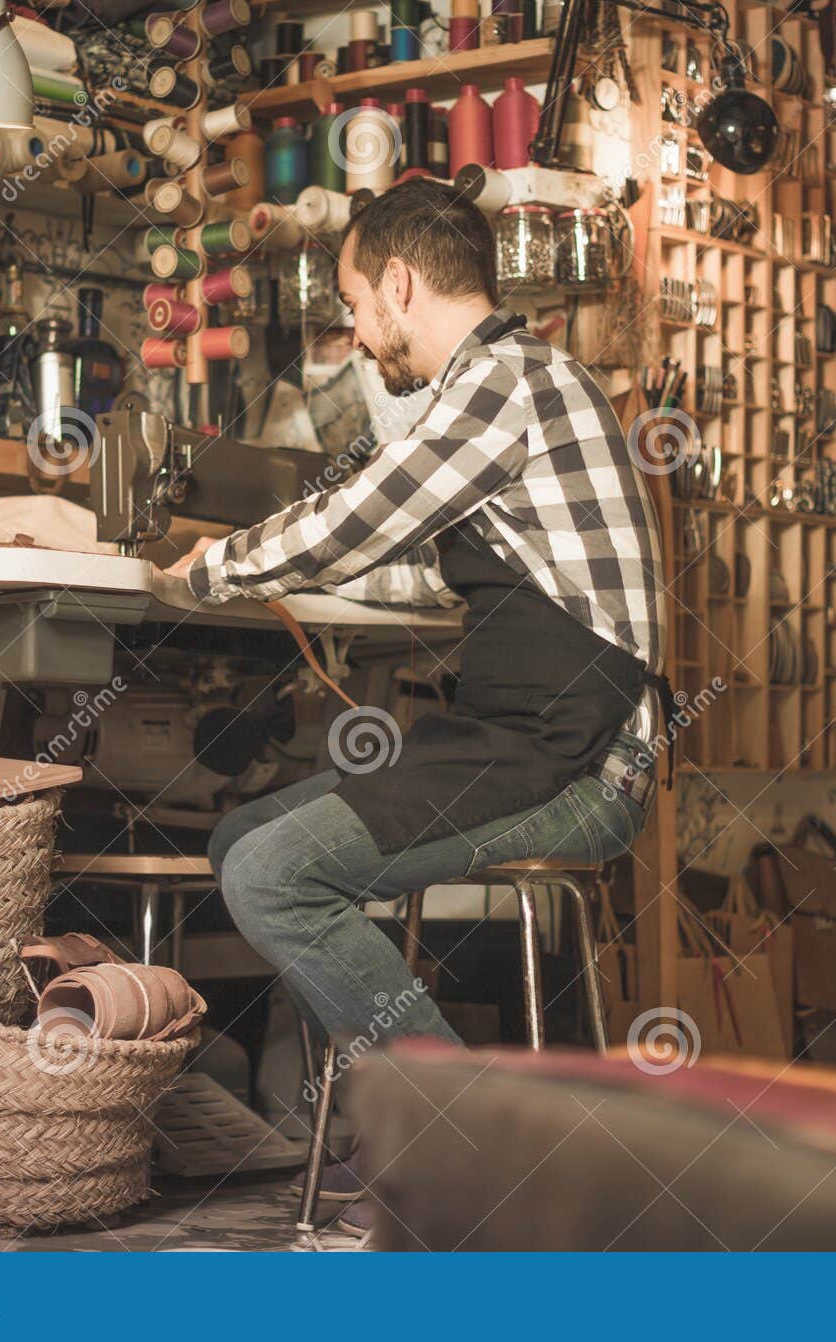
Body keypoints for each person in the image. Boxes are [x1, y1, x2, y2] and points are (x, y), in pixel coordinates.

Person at [167, 178, 667, 1052]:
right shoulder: (510, 385)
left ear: (399, 285)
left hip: (586, 765)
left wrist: (214, 572)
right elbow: (435, 576)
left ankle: (461, 1142)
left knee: (272, 876)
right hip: (522, 741)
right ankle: (365, 1107)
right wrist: (297, 583)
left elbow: (368, 512)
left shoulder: (512, 381)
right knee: (243, 839)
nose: (356, 335)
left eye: (356, 305)